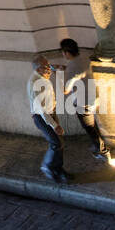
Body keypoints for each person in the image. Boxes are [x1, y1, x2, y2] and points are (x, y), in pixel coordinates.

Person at [59, 38, 115, 166]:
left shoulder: (71, 69)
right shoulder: (84, 58)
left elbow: (65, 90)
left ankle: (104, 153)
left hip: (82, 103)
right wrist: (65, 69)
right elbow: (79, 72)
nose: (63, 54)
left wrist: (60, 74)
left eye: (63, 52)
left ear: (66, 52)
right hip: (93, 98)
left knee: (90, 129)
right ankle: (97, 146)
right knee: (93, 126)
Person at [29, 54, 70, 183]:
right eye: (46, 66)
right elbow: (41, 109)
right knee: (55, 143)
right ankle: (47, 166)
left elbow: (53, 70)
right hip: (42, 117)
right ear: (38, 69)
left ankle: (58, 169)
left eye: (48, 64)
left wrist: (57, 69)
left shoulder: (43, 73)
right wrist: (54, 125)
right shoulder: (35, 84)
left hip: (51, 112)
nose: (49, 68)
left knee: (60, 142)